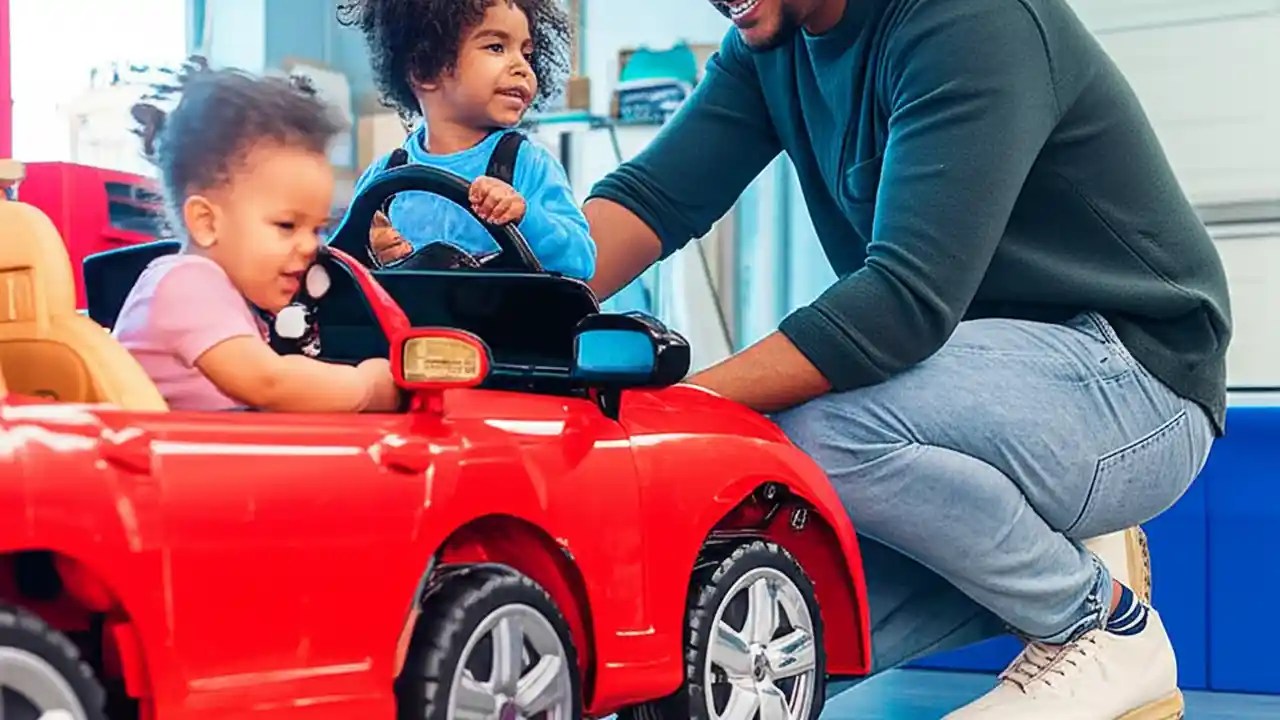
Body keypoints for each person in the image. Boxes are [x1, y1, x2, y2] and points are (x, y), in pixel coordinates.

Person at [584, 0, 1231, 717]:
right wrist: (498, 292)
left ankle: (1099, 620)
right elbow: (650, 199)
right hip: (966, 395)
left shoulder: (971, 20)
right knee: (716, 660)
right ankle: (1059, 555)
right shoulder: (770, 42)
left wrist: (681, 410)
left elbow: (901, 301)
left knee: (818, 431)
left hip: (1134, 383)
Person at [114, 61, 400, 413]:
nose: (312, 245)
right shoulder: (186, 283)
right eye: (286, 225)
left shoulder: (226, 293)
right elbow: (270, 384)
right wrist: (367, 387)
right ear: (206, 222)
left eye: (317, 228)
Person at [338, 0, 596, 279]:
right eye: (496, 47)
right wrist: (370, 252)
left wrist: (525, 218)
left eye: (527, 54)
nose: (522, 67)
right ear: (424, 68)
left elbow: (581, 261)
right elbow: (336, 270)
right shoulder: (383, 177)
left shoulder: (527, 164)